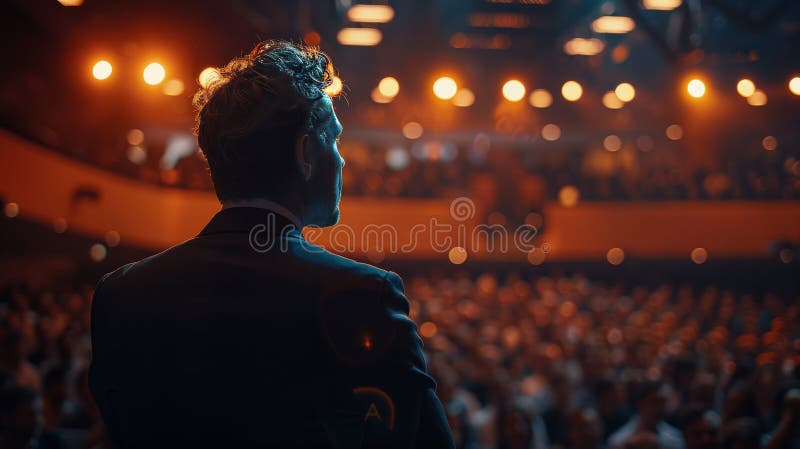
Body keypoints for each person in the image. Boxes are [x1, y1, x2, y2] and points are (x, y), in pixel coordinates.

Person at [88, 41, 454, 449]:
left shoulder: (120, 294)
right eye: (334, 141)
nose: (343, 160)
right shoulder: (363, 294)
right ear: (306, 154)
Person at [608, 381, 685, 449]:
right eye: (654, 402)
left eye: (662, 402)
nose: (660, 408)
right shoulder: (619, 441)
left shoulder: (675, 439)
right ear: (640, 404)